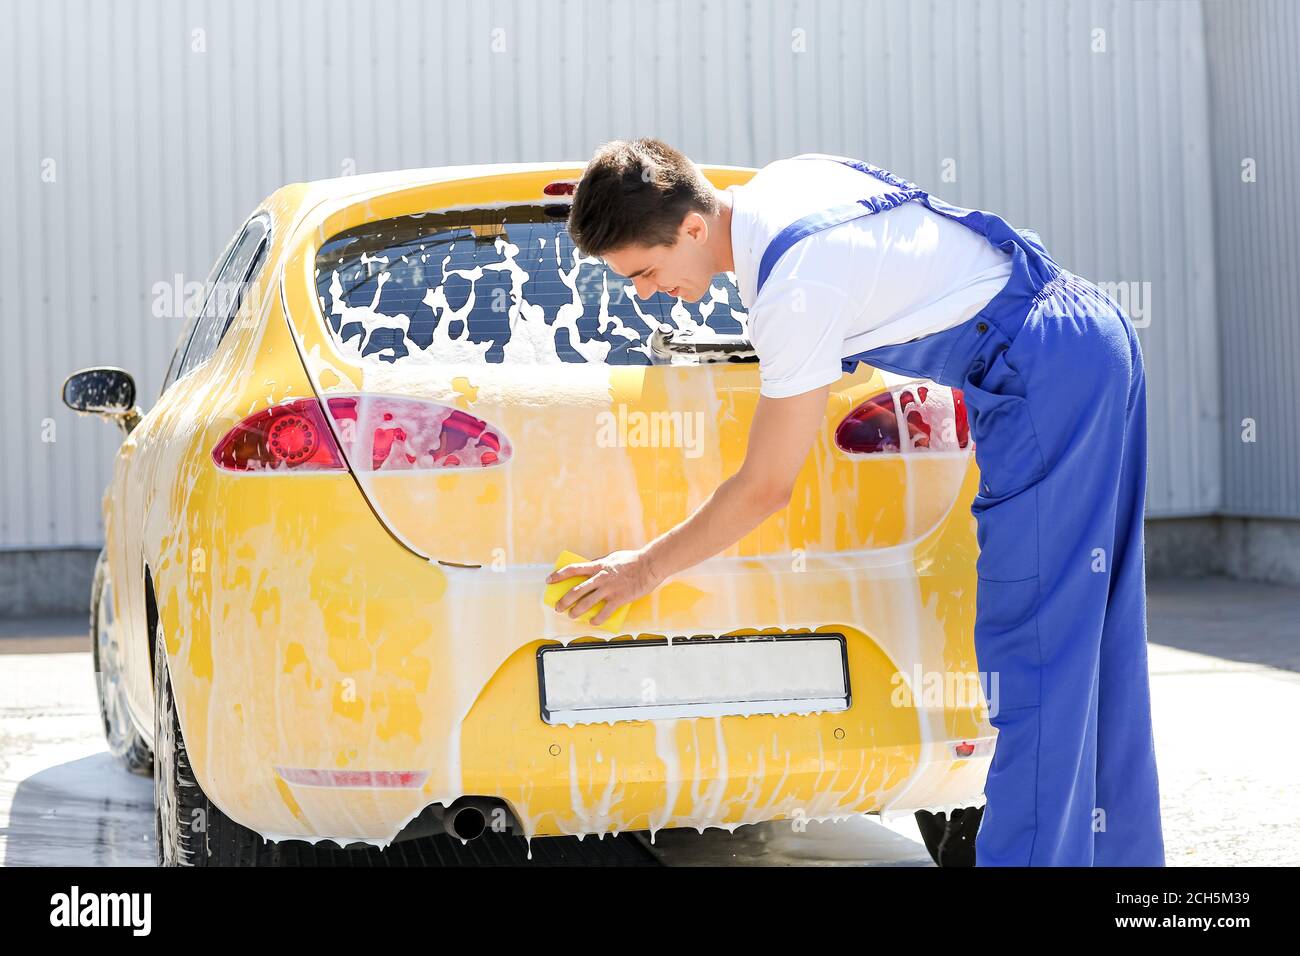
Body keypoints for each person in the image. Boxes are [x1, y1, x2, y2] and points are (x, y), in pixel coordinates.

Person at [547, 137, 1165, 867]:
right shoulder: (788, 184)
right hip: (1085, 334)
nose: (645, 292)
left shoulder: (791, 288)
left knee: (1035, 661)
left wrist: (642, 571)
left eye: (644, 272)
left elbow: (766, 486)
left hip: (1042, 375)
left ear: (691, 228)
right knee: (1092, 649)